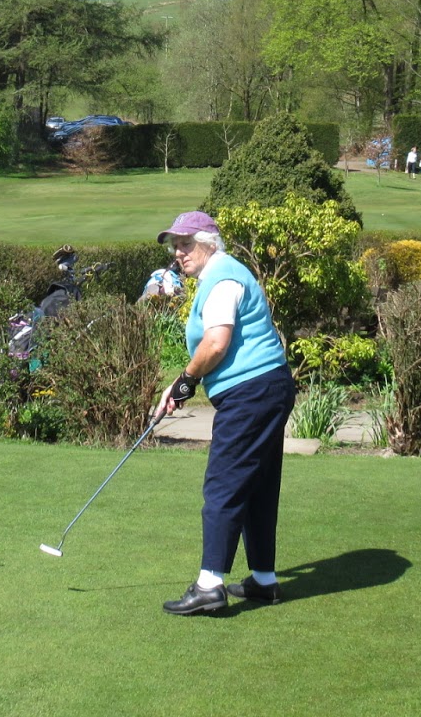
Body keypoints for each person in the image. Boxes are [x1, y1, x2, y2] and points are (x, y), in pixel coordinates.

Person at [154, 210, 296, 616]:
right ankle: (263, 580)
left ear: (208, 244)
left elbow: (216, 343)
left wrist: (187, 380)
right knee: (257, 485)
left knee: (224, 485)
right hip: (266, 387)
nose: (178, 253)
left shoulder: (222, 277)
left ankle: (209, 585)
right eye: (175, 246)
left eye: (185, 244)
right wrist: (183, 382)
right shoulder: (222, 274)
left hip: (250, 393)